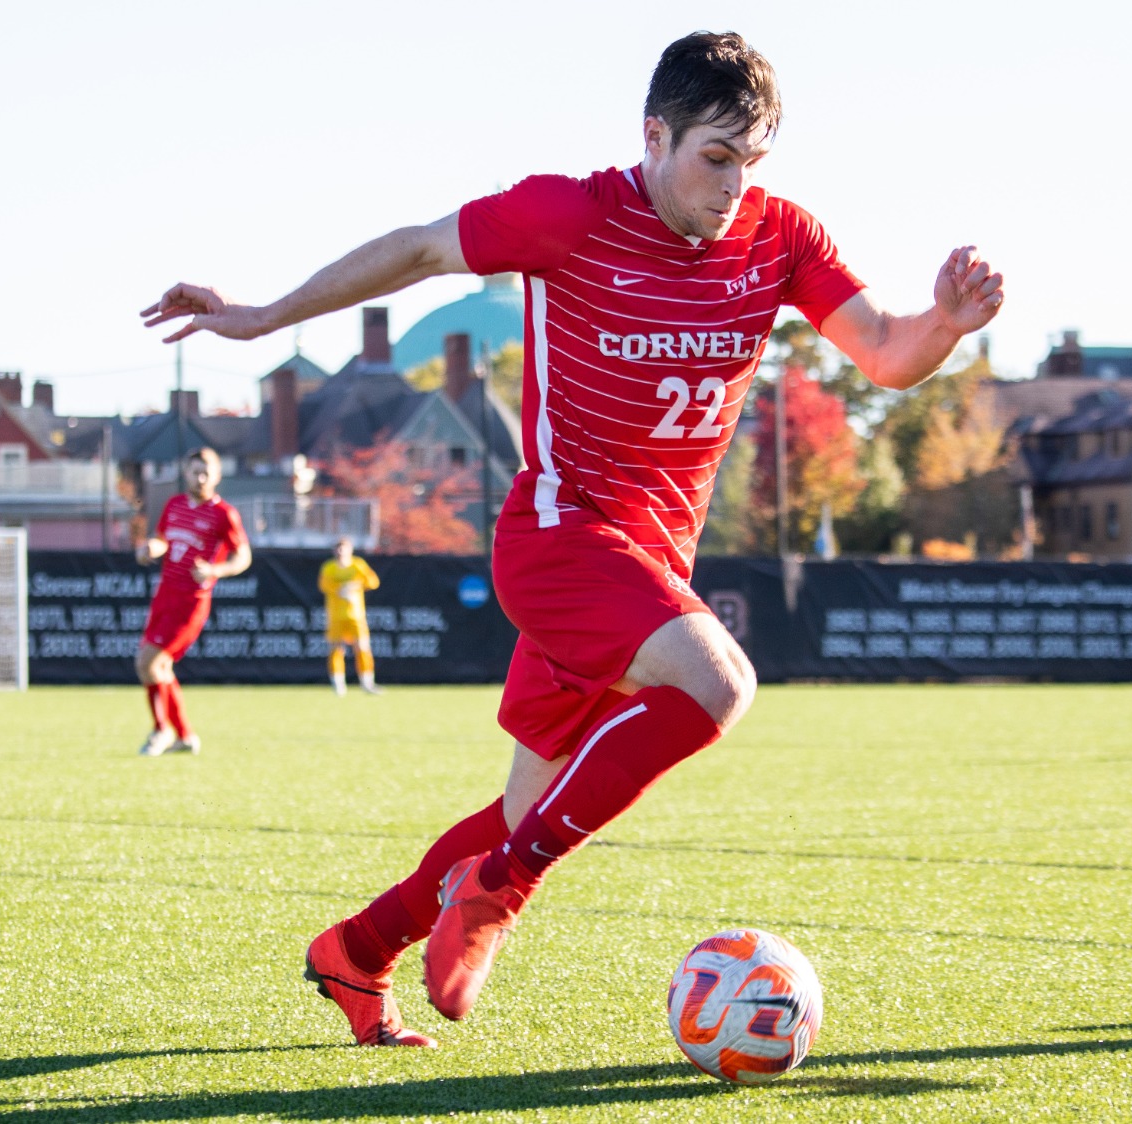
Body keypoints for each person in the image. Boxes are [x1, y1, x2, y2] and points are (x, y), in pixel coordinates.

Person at [141, 31, 1006, 1048]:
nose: (733, 185)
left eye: (750, 162)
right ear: (654, 136)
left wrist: (943, 324)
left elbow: (885, 351)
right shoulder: (569, 213)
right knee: (718, 685)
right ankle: (503, 890)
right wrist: (261, 315)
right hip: (560, 537)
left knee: (521, 809)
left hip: (640, 569)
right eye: (713, 158)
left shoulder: (779, 237)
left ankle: (357, 952)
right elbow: (420, 247)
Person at [134, 447, 251, 756]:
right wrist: (151, 548)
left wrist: (215, 570)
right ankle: (185, 736)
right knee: (155, 668)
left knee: (150, 662)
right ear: (185, 472)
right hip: (165, 594)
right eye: (194, 471)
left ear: (216, 476)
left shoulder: (224, 514)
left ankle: (162, 731)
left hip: (191, 601)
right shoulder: (174, 505)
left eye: (206, 473)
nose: (199, 478)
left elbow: (243, 557)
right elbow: (162, 539)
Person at [320, 537, 381, 695]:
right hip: (336, 616)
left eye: (344, 548)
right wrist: (341, 589)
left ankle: (367, 682)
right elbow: (324, 585)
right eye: (338, 548)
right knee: (336, 649)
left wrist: (356, 585)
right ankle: (338, 684)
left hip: (356, 615)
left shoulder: (357, 565)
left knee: (362, 647)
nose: (341, 551)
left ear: (350, 550)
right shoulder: (329, 568)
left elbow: (373, 582)